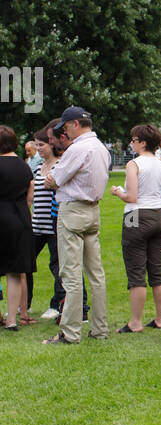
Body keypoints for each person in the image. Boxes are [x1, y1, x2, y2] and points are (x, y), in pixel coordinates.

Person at [41, 107, 111, 346]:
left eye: (66, 126)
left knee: (70, 273)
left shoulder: (77, 148)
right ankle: (100, 328)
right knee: (96, 273)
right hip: (93, 210)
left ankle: (69, 332)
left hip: (73, 210)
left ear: (74, 124)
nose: (65, 132)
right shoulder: (101, 148)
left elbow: (53, 179)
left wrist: (55, 181)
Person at [111, 123, 161, 333]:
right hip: (157, 214)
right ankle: (160, 319)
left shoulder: (133, 164)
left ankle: (135, 322)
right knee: (157, 270)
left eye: (134, 140)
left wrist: (118, 192)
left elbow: (132, 197)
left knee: (136, 270)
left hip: (135, 214)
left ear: (142, 142)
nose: (132, 143)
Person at [26, 126, 65, 321]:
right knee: (25, 263)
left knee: (56, 265)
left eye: (41, 144)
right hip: (36, 225)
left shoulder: (60, 166)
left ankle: (56, 304)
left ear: (51, 145)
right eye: (36, 144)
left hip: (53, 225)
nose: (38, 148)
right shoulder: (35, 167)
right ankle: (24, 304)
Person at [0, 125, 36, 331]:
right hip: (20, 219)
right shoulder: (25, 166)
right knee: (14, 272)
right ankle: (12, 319)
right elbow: (29, 197)